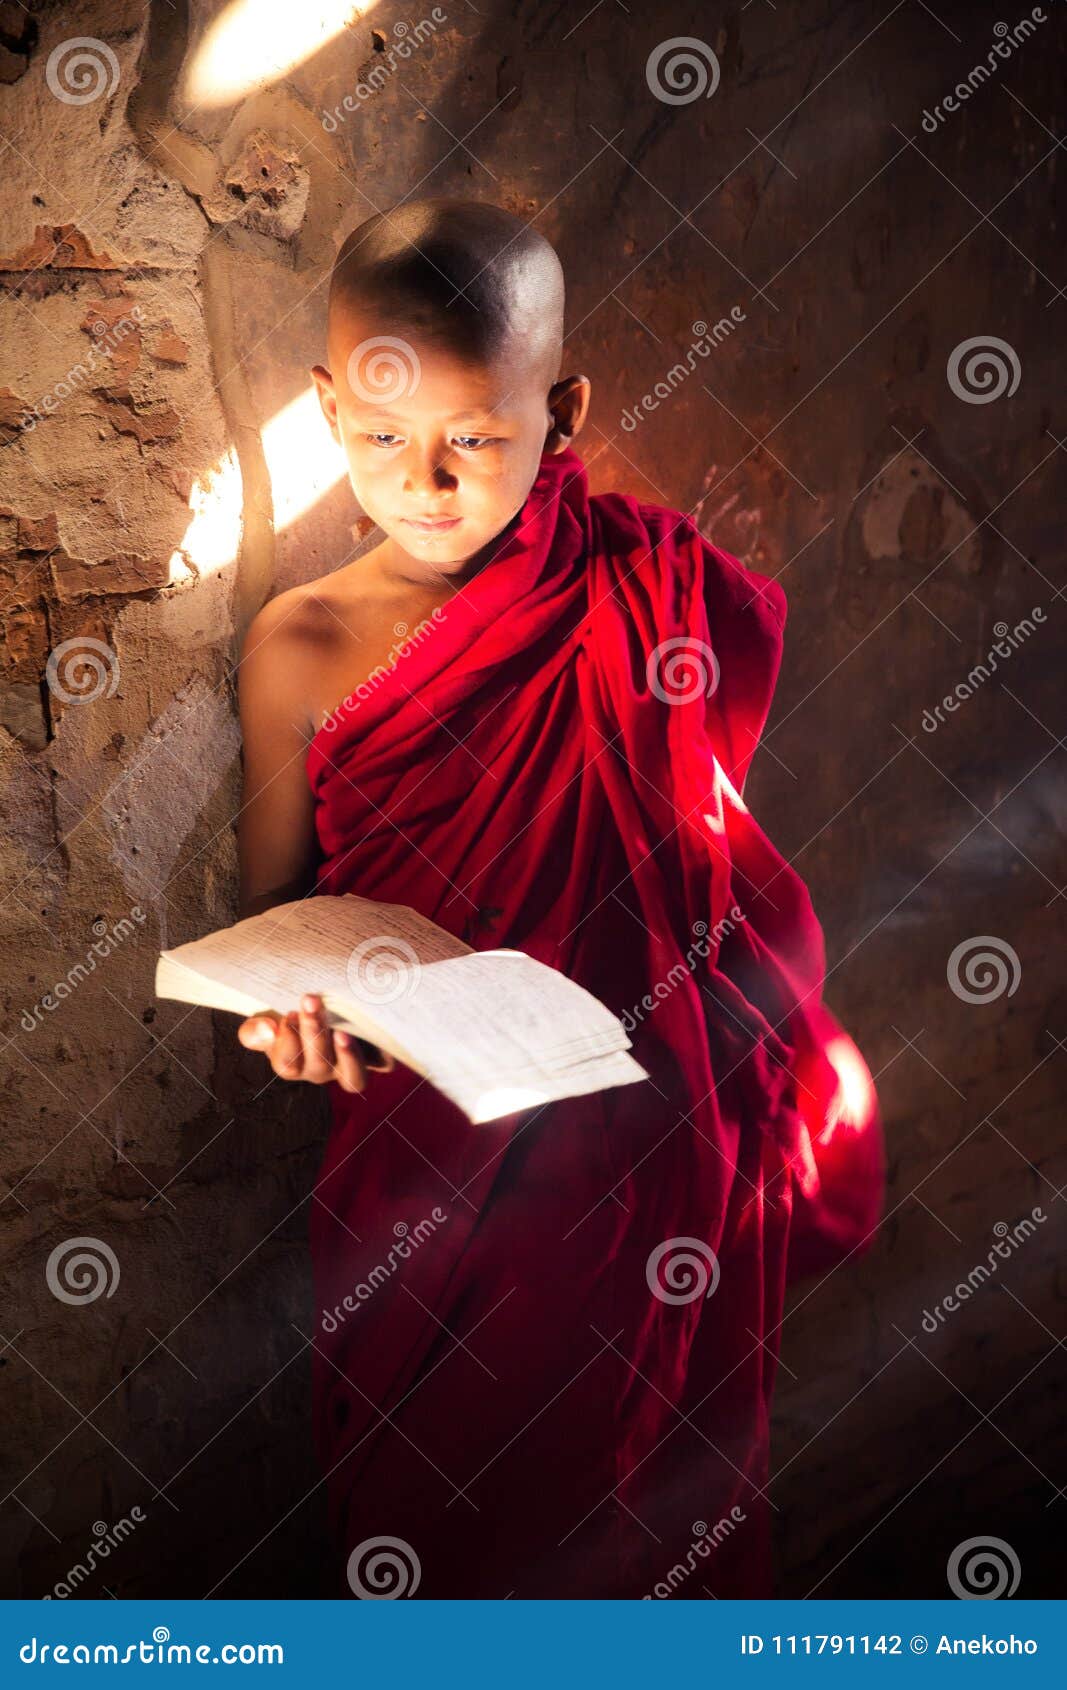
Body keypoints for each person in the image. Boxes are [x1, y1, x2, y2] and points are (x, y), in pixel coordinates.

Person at [234, 196, 886, 1599]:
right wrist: (288, 1019)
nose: (425, 481)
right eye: (380, 436)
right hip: (429, 1172)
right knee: (446, 1531)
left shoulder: (643, 585)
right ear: (327, 404)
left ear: (563, 410)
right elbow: (276, 923)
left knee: (649, 1530)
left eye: (473, 438)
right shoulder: (303, 645)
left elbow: (696, 851)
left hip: (645, 1144)